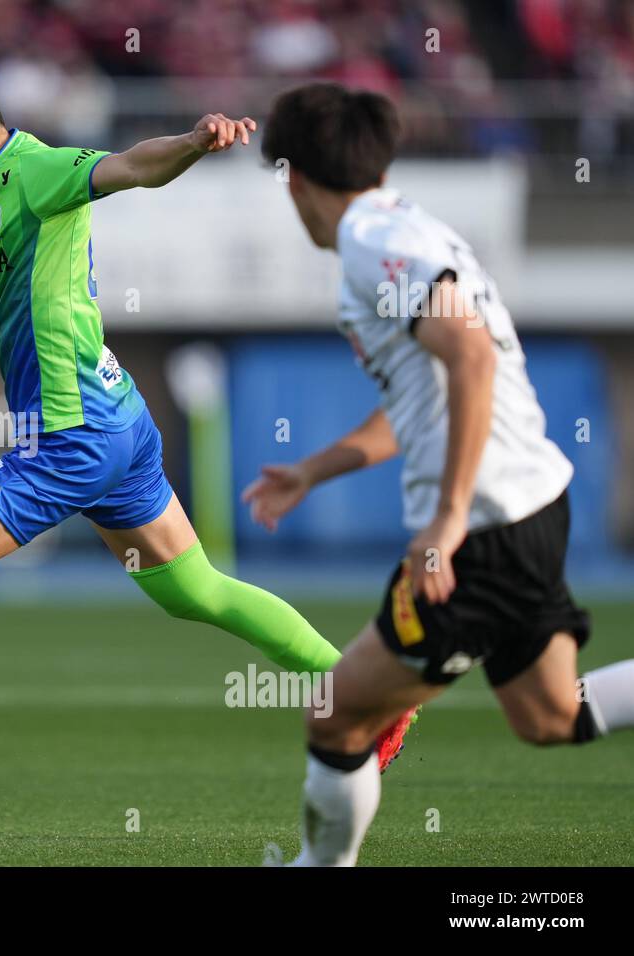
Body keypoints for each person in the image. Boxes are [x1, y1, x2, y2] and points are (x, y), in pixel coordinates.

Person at [0, 43, 408, 834]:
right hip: (116, 424)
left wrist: (190, 143)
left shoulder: (36, 171)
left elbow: (129, 168)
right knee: (196, 591)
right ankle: (366, 693)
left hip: (74, 433)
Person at [246, 82, 634, 866]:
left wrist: (448, 519)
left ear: (292, 178)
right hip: (530, 505)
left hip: (484, 528)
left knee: (335, 717)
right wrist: (312, 472)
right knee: (551, 715)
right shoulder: (409, 228)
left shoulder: (369, 241)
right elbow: (424, 395)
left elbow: (469, 352)